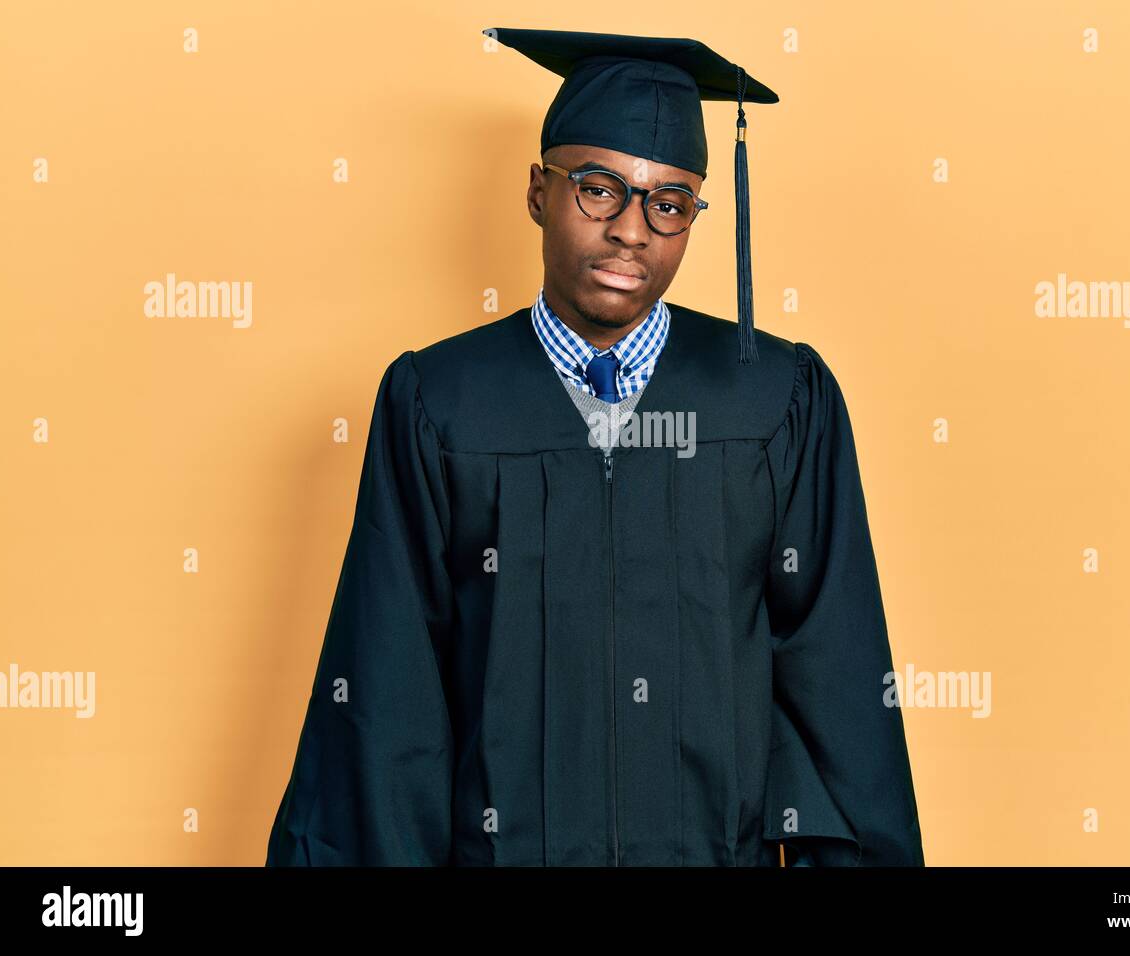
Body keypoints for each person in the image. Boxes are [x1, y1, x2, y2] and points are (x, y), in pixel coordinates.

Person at [266, 27, 925, 867]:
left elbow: (836, 688)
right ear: (539, 193)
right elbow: (386, 700)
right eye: (599, 189)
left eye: (670, 202)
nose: (632, 231)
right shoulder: (440, 404)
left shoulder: (775, 400)